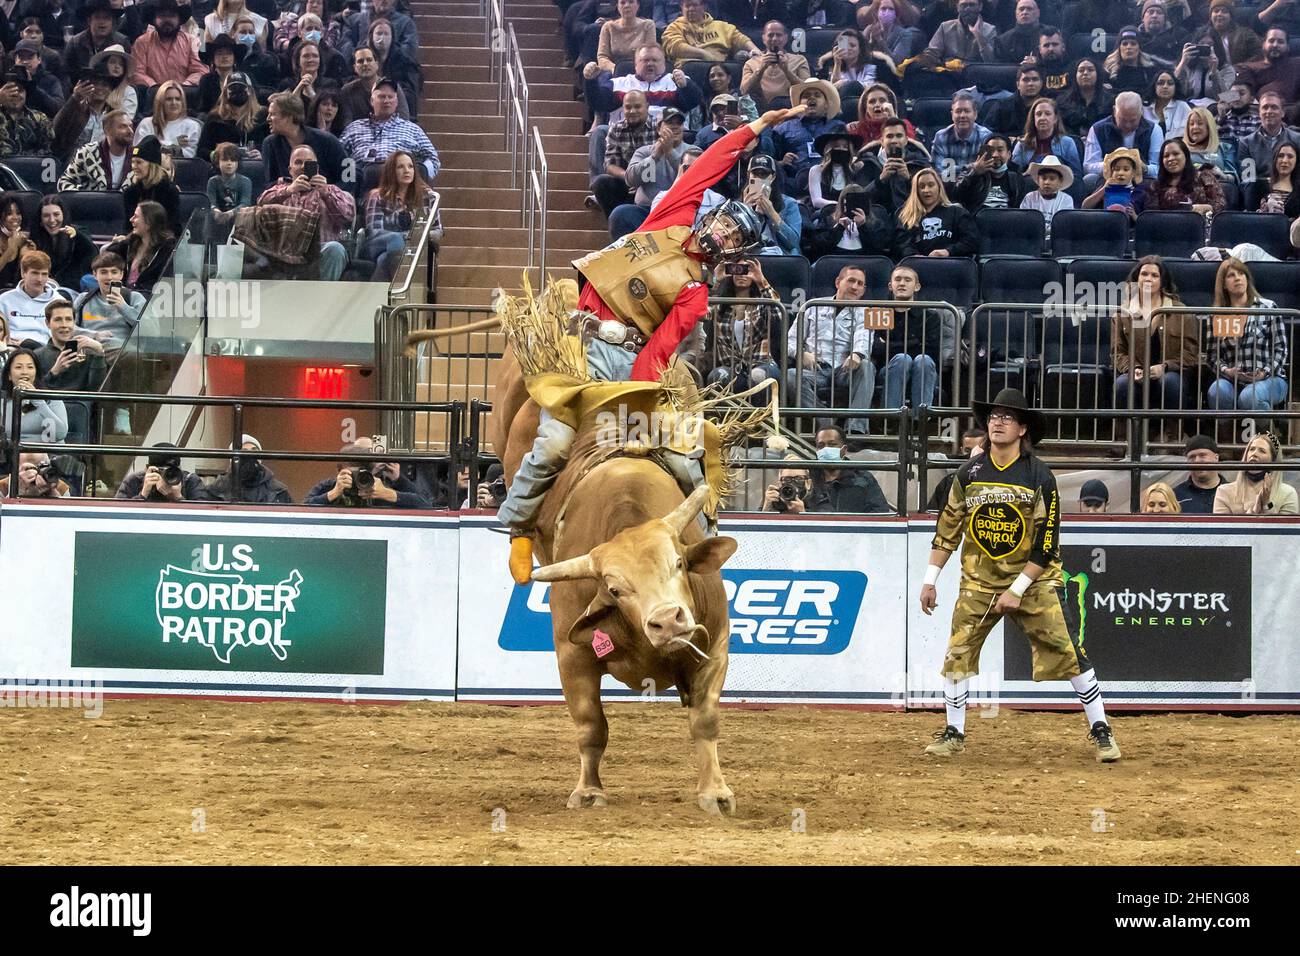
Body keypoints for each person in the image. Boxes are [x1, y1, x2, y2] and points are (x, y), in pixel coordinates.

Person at [497, 104, 805, 583]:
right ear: (713, 216)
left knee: (684, 458)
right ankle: (518, 527)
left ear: (732, 251)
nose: (722, 233)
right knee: (553, 442)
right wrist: (757, 127)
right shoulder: (669, 219)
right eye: (724, 223)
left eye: (733, 237)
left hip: (626, 360)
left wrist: (638, 398)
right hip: (579, 348)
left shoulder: (696, 292)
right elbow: (705, 168)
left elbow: (659, 349)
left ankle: (702, 547)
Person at [920, 386, 1122, 762]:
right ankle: (953, 731)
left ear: (1023, 429)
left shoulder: (1040, 476)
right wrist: (930, 579)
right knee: (957, 654)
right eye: (994, 416)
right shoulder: (968, 474)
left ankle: (1102, 730)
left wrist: (1016, 589)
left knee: (1069, 653)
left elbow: (1046, 545)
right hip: (978, 581)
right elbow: (946, 530)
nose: (998, 421)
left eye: (1007, 417)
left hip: (1034, 581)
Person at [784, 263, 874, 436]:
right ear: (838, 282)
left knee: (867, 366)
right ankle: (827, 424)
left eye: (860, 284)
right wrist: (801, 354)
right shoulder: (812, 306)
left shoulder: (865, 311)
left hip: (844, 370)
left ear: (863, 290)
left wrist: (856, 354)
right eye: (851, 281)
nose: (855, 287)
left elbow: (864, 337)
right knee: (791, 375)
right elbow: (790, 340)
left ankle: (855, 429)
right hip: (815, 369)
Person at [1113, 255, 1199, 415]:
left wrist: (1164, 367)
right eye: (1144, 274)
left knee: (1170, 382)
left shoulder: (1181, 311)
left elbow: (1190, 354)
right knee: (1123, 384)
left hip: (1171, 374)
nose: (1148, 279)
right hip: (1136, 374)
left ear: (1162, 281)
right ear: (1136, 278)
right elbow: (1118, 352)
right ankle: (1129, 436)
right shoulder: (1123, 312)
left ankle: (1171, 435)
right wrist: (1134, 369)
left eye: (1154, 275)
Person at [256, 143, 356, 281]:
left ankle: (321, 298)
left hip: (321, 250)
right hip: (285, 252)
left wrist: (326, 193)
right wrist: (289, 190)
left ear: (317, 168)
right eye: (298, 162)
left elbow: (347, 217)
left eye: (308, 163)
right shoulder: (280, 189)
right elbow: (260, 205)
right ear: (290, 170)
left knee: (335, 249)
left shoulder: (331, 190)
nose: (303, 167)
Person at [1206, 257, 1289, 410]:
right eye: (1231, 275)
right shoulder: (1217, 315)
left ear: (1247, 278)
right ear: (1223, 284)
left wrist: (1264, 372)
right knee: (1216, 392)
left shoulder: (1268, 308)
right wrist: (1227, 371)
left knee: (1248, 396)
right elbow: (1212, 356)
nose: (1237, 278)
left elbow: (1281, 349)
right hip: (1232, 380)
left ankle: (1268, 433)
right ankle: (1226, 433)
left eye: (1241, 273)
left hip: (1271, 378)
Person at [34, 296, 105, 446]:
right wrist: (54, 372)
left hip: (81, 410)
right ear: (48, 323)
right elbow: (35, 394)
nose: (64, 325)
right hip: (49, 414)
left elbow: (96, 389)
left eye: (68, 319)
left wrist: (99, 353)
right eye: (58, 320)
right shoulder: (37, 355)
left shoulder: (90, 353)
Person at [340, 77, 439, 181]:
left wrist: (419, 181)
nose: (386, 101)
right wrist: (349, 186)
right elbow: (339, 155)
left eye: (390, 97)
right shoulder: (354, 128)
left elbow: (433, 159)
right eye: (382, 97)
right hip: (364, 183)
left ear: (396, 102)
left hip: (402, 184)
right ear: (372, 101)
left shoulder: (413, 129)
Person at [873, 263, 941, 410]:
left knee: (923, 360)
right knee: (902, 359)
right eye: (898, 279)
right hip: (889, 370)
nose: (902, 283)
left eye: (907, 280)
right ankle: (890, 419)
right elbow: (875, 349)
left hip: (923, 369)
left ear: (917, 287)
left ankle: (920, 420)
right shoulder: (879, 313)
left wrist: (889, 345)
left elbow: (932, 352)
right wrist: (914, 343)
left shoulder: (930, 316)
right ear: (890, 286)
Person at [362, 148, 437, 281]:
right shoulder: (377, 196)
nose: (407, 170)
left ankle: (384, 297)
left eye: (410, 166)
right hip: (379, 244)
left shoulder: (428, 197)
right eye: (400, 167)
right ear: (392, 171)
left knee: (385, 260)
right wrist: (406, 236)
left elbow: (438, 230)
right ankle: (403, 291)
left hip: (413, 247)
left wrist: (420, 237)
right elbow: (374, 231)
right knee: (394, 239)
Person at [772, 78, 847, 200]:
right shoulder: (782, 129)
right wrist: (782, 162)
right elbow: (772, 160)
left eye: (817, 95)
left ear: (826, 104)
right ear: (800, 104)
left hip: (829, 185)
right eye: (806, 96)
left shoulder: (838, 127)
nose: (811, 98)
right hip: (793, 187)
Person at [304, 442, 430, 507]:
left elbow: (427, 506)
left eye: (362, 475)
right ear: (339, 471)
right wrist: (332, 494)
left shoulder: (379, 489)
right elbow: (302, 509)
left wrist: (391, 493)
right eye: (351, 474)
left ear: (371, 473)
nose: (356, 479)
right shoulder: (330, 486)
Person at [261, 90, 347, 185]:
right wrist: (287, 187)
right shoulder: (270, 143)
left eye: (273, 114)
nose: (268, 119)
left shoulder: (327, 140)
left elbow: (350, 173)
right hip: (287, 197)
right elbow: (268, 184)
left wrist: (330, 189)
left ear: (289, 117)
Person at [1082, 90, 1163, 190]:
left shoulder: (1154, 130)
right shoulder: (1097, 129)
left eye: (1133, 120)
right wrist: (1114, 164)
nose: (1128, 125)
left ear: (1141, 112)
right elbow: (1088, 166)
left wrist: (1143, 168)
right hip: (1107, 179)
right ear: (1114, 111)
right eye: (1123, 120)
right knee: (1089, 179)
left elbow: (1159, 168)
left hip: (1142, 179)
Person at [895, 166, 979, 257]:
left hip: (952, 264)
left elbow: (972, 241)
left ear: (939, 187)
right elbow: (901, 245)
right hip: (917, 265)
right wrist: (914, 256)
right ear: (916, 191)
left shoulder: (957, 212)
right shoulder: (906, 215)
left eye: (931, 185)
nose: (926, 190)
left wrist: (948, 251)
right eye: (921, 186)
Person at [805, 425, 891, 512]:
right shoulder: (806, 475)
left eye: (832, 445)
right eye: (821, 445)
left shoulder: (863, 478)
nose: (826, 449)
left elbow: (880, 511)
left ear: (844, 449)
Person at [72, 251, 146, 350]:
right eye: (103, 272)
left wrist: (124, 307)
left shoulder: (134, 298)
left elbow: (151, 330)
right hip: (90, 350)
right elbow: (69, 328)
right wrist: (95, 335)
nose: (109, 277)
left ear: (121, 274)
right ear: (95, 274)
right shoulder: (83, 299)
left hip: (122, 352)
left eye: (114, 272)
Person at [103, 199, 178, 296]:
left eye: (136, 216)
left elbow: (161, 285)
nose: (131, 219)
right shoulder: (131, 242)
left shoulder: (167, 249)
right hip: (123, 294)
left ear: (149, 222)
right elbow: (105, 257)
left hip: (147, 299)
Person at [1213, 431, 1299, 514]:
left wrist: (1266, 504)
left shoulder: (1288, 493)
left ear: (1273, 460)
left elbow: (1282, 528)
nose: (1254, 454)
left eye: (1262, 451)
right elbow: (1224, 528)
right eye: (1251, 449)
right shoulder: (1224, 492)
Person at [803, 181, 897, 257]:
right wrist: (839, 228)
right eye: (846, 205)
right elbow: (817, 249)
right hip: (835, 261)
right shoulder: (828, 221)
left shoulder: (876, 224)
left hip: (866, 263)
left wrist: (862, 227)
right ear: (841, 204)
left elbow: (879, 250)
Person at [660, 0, 758, 69]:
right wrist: (703, 54)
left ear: (704, 6)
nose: (690, 9)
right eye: (687, 5)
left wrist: (756, 51)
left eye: (694, 5)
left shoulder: (721, 26)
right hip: (690, 69)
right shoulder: (674, 27)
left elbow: (741, 39)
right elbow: (675, 46)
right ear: (681, 7)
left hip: (720, 69)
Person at [1, 346, 68, 448]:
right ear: (9, 375)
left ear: (36, 373)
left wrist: (38, 401)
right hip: (13, 458)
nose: (24, 372)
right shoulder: (2, 402)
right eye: (18, 367)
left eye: (30, 367)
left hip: (47, 457)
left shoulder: (51, 399)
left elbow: (59, 434)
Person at [130, 0, 206, 88]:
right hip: (151, 96)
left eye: (172, 16)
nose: (167, 20)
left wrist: (181, 87)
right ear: (154, 19)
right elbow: (137, 73)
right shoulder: (141, 42)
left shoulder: (192, 41)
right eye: (162, 16)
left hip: (185, 95)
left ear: (179, 19)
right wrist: (158, 89)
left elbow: (201, 70)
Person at [56, 106, 133, 191]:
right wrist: (86, 194)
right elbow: (63, 182)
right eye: (123, 127)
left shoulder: (137, 156)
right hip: (93, 203)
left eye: (130, 126)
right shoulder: (87, 152)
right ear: (107, 130)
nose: (130, 131)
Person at [196, 71, 268, 160]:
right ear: (225, 93)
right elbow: (201, 151)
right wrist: (216, 154)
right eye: (232, 88)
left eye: (241, 87)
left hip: (256, 166)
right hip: (224, 167)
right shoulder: (215, 118)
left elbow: (273, 146)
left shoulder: (263, 116)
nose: (237, 91)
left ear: (250, 91)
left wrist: (263, 154)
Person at [742, 19, 811, 110]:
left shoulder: (799, 60)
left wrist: (787, 71)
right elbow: (744, 91)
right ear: (763, 38)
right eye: (770, 35)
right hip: (760, 110)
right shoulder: (751, 62)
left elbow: (807, 90)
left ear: (785, 38)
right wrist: (761, 69)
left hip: (789, 109)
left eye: (779, 35)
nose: (774, 39)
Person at [30, 195, 96, 289]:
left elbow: (92, 251)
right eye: (46, 216)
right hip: (43, 288)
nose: (52, 220)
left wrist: (76, 235)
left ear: (63, 215)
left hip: (72, 290)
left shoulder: (79, 233)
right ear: (40, 219)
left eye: (56, 214)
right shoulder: (36, 237)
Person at [1010, 96, 1083, 182]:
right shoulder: (1022, 144)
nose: (1042, 118)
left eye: (1047, 114)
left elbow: (1076, 175)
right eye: (1038, 114)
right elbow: (1013, 175)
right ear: (1033, 119)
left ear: (1055, 118)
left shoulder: (1067, 143)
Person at [0, 250, 66, 345]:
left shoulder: (58, 302)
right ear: (23, 273)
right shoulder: (4, 300)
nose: (39, 279)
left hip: (43, 350)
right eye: (35, 273)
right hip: (11, 349)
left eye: (44, 274)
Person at [338, 41, 411, 126]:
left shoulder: (392, 88)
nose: (365, 64)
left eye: (369, 60)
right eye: (360, 61)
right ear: (355, 68)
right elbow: (347, 124)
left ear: (377, 64)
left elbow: (404, 120)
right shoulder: (346, 92)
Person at [50, 66, 115, 162]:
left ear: (110, 89)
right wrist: (74, 98)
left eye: (105, 85)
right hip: (72, 165)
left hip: (103, 168)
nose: (100, 88)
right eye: (96, 84)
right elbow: (55, 130)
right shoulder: (75, 109)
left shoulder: (114, 116)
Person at [950, 133, 1028, 212]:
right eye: (991, 150)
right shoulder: (970, 170)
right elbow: (956, 196)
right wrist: (974, 173)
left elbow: (1020, 206)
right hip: (978, 220)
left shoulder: (1016, 177)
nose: (995, 155)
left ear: (1009, 154)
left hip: (1007, 220)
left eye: (1000, 150)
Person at [740, 151, 800, 254]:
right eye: (755, 174)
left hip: (779, 258)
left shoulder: (789, 204)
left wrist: (772, 214)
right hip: (750, 256)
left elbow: (793, 243)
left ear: (772, 177)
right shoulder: (738, 205)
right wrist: (746, 212)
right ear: (748, 175)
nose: (759, 178)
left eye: (764, 174)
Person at [114, 443, 218, 502]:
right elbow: (119, 515)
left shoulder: (190, 480)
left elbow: (202, 518)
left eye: (172, 471)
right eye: (161, 471)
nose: (167, 475)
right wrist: (143, 494)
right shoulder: (134, 480)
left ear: (179, 469)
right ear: (148, 469)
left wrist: (178, 497)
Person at [205, 435, 293, 503]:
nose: (250, 455)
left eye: (254, 451)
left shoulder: (279, 491)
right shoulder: (216, 490)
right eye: (244, 451)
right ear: (232, 459)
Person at [121, 134, 182, 233]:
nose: (134, 166)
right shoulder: (130, 193)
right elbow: (127, 228)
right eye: (133, 162)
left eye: (139, 162)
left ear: (153, 165)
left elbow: (173, 228)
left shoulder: (169, 191)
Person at [1148, 136, 1225, 214]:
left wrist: (1207, 208)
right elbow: (1152, 215)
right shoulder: (1156, 185)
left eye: (1176, 154)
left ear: (1186, 156)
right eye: (1166, 156)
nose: (1170, 158)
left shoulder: (1204, 177)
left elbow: (1221, 205)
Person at [1237, 90, 1300, 184]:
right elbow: (1247, 178)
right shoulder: (1246, 143)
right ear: (1259, 113)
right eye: (1265, 107)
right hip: (1259, 191)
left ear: (1282, 113)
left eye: (1274, 107)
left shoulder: (1297, 139)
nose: (1269, 111)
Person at [929, 91, 990, 182]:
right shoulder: (941, 137)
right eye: (958, 111)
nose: (962, 115)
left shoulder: (986, 137)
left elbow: (985, 171)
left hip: (976, 189)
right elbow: (940, 173)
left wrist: (953, 170)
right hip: (948, 189)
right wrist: (973, 168)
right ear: (952, 115)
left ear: (975, 114)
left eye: (967, 111)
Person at [133, 79, 201, 159]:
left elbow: (191, 155)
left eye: (178, 99)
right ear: (160, 102)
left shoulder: (193, 126)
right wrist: (174, 145)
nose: (174, 103)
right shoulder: (146, 124)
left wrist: (160, 148)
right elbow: (137, 151)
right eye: (169, 99)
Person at [1236, 26, 1300, 110]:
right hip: (1259, 115)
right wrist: (1223, 101)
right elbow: (1233, 95)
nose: (1275, 45)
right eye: (1271, 41)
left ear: (1288, 47)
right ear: (1263, 44)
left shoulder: (1297, 65)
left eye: (1280, 42)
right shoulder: (1248, 68)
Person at [926, 425, 984, 510]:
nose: (973, 454)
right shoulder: (949, 482)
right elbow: (935, 514)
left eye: (978, 449)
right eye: (967, 451)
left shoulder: (1000, 478)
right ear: (961, 450)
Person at [922, 0, 996, 64]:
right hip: (949, 72)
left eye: (972, 5)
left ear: (980, 7)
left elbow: (991, 61)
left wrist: (978, 35)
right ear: (957, 7)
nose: (968, 9)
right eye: (963, 5)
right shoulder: (945, 27)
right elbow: (932, 52)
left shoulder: (990, 29)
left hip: (976, 73)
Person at [0, 68, 53, 158]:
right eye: (10, 91)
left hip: (30, 169)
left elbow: (48, 154)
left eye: (20, 90)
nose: (16, 94)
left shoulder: (40, 118)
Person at [980, 63, 1043, 138]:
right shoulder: (1001, 107)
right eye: (1026, 80)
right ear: (1018, 84)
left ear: (1041, 84)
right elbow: (987, 136)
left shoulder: (1049, 108)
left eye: (1035, 79)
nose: (1030, 83)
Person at [1081, 146, 1147, 219]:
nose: (1120, 173)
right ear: (1111, 172)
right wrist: (1103, 190)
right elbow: (1085, 206)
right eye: (1116, 169)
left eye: (1126, 169)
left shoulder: (1141, 192)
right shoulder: (1105, 187)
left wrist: (1135, 216)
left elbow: (1146, 223)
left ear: (1133, 172)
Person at [1057, 56, 1114, 138]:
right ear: (1075, 75)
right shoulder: (1062, 101)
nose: (1085, 73)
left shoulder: (1110, 101)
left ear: (1098, 74)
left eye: (1090, 70)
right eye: (1081, 70)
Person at [594, 0, 657, 74]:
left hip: (640, 73)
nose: (627, 6)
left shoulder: (648, 25)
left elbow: (650, 55)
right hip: (613, 73)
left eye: (631, 2)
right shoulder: (608, 27)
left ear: (638, 5)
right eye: (622, 2)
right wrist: (617, 69)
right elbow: (602, 57)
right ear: (617, 6)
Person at [1020, 153, 1073, 238]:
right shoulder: (1029, 197)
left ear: (1060, 181)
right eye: (1043, 178)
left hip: (1056, 239)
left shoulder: (1066, 200)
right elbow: (1023, 221)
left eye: (1052, 179)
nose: (1047, 182)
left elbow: (1064, 225)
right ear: (1038, 179)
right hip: (1033, 238)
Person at [1197, 0, 1264, 67]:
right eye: (1216, 11)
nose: (1219, 14)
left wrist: (1241, 68)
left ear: (1231, 16)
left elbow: (1259, 55)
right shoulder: (1201, 34)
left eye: (1224, 11)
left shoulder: (1245, 34)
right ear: (1210, 16)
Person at [857, 0, 925, 63]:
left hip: (906, 30)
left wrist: (880, 41)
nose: (887, 12)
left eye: (890, 9)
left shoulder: (905, 34)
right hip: (876, 27)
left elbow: (914, 18)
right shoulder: (869, 29)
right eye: (883, 9)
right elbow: (862, 20)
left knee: (914, 34)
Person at [846, 82, 913, 145]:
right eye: (872, 102)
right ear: (865, 108)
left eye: (882, 100)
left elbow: (909, 148)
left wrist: (893, 119)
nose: (877, 104)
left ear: (890, 104)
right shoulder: (856, 129)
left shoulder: (904, 125)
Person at [1172, 434, 1223, 513]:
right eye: (1192, 457)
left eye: (1202, 455)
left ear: (1216, 458)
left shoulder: (1233, 493)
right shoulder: (1175, 495)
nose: (1197, 461)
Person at [1105, 26, 1159, 95]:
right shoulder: (1108, 72)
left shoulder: (1150, 72)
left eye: (1133, 44)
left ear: (1139, 47)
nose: (1129, 47)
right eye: (1125, 44)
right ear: (1119, 48)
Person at [0, 452, 70, 497]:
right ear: (15, 470)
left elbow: (68, 516)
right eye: (27, 469)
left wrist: (52, 492)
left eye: (40, 468)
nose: (34, 474)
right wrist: (19, 492)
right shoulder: (3, 487)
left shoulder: (60, 486)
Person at [1182, 105, 1229, 173]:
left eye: (1200, 123)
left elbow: (1233, 176)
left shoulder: (1225, 148)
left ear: (1209, 127)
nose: (1195, 127)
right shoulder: (1180, 149)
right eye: (1191, 124)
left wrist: (1222, 175)